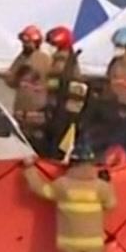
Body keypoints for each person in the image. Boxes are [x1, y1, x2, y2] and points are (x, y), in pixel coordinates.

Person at [24, 147, 116, 252]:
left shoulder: (62, 185)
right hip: (94, 241)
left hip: (70, 241)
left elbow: (41, 190)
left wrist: (29, 169)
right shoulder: (101, 187)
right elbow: (111, 204)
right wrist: (109, 183)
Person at [3, 25, 55, 146]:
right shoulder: (20, 58)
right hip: (21, 110)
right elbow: (11, 81)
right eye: (23, 42)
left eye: (28, 42)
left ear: (36, 42)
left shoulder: (44, 59)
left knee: (35, 143)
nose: (24, 45)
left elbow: (48, 80)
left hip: (37, 111)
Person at [43, 26, 88, 159]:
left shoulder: (64, 62)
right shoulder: (61, 60)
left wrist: (71, 115)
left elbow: (75, 88)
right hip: (56, 109)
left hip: (61, 112)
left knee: (55, 149)